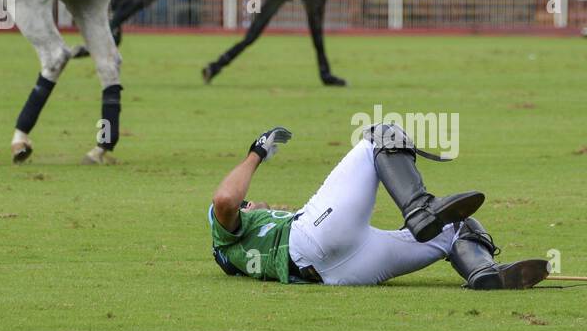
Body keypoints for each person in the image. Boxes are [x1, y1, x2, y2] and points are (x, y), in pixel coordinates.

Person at [208, 124, 550, 289]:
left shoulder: (248, 251)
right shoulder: (231, 235)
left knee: (456, 227)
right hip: (312, 239)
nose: (249, 201)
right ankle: (420, 209)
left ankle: (484, 273)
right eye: (247, 204)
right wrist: (257, 152)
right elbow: (225, 200)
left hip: (342, 274)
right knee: (383, 134)